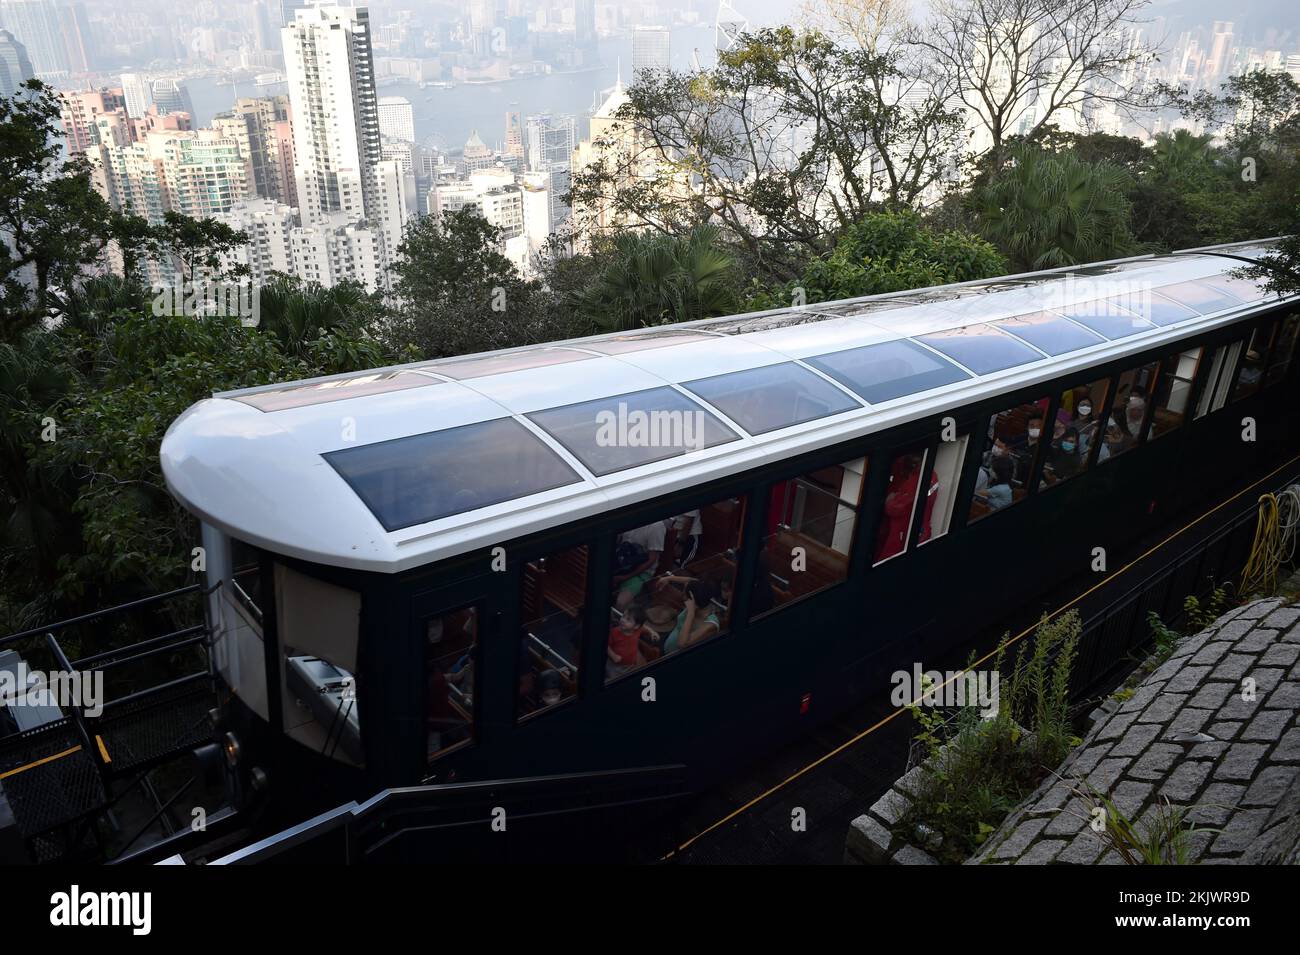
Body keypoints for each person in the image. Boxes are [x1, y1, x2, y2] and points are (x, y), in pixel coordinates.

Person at [662, 577, 723, 655]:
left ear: (695, 603)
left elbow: (682, 644)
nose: (683, 598)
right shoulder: (699, 591)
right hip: (666, 651)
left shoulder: (710, 625)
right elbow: (690, 581)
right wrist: (668, 578)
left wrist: (690, 613)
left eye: (686, 598)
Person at [612, 521, 665, 610]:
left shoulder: (656, 526)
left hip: (641, 572)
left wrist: (625, 577)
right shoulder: (628, 516)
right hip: (621, 563)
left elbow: (651, 560)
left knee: (621, 603)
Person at [606, 605, 649, 680]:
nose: (623, 620)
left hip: (630, 664)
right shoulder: (615, 632)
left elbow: (643, 628)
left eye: (628, 619)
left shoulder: (637, 630)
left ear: (636, 626)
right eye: (623, 616)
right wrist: (613, 656)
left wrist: (651, 632)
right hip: (615, 664)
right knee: (613, 679)